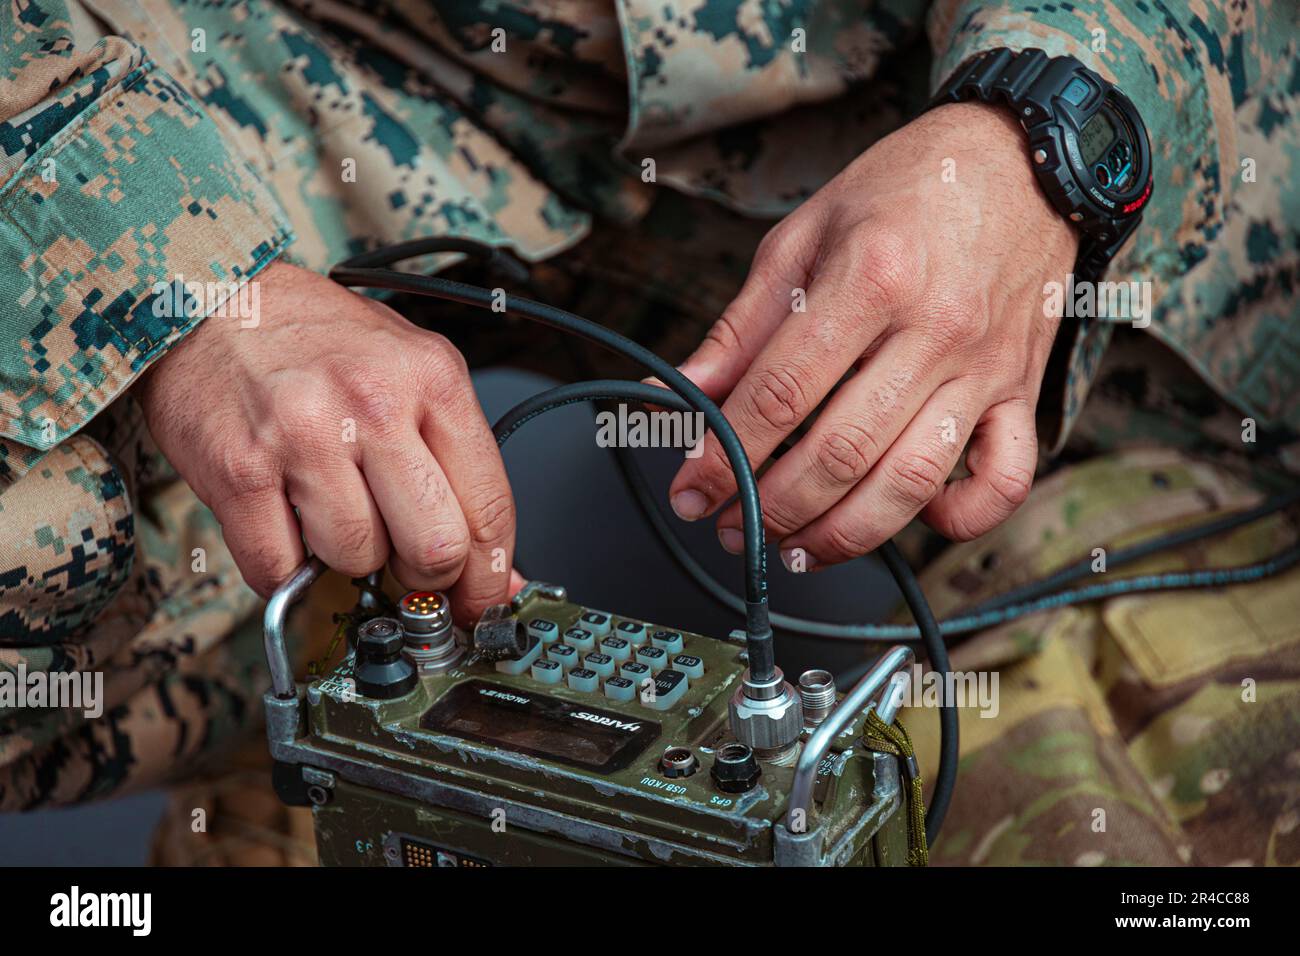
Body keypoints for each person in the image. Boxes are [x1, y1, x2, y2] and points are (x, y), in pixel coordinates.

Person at [1, 0, 1296, 866]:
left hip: (1099, 231)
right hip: (260, 84)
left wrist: (1052, 125)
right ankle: (355, 710)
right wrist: (185, 277)